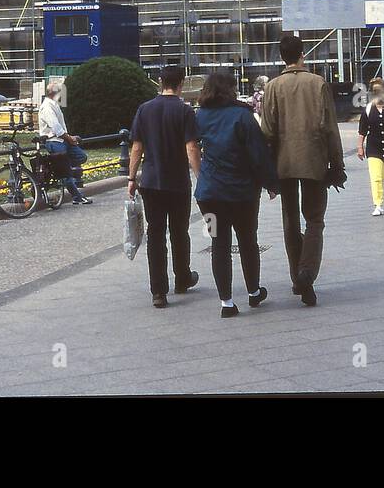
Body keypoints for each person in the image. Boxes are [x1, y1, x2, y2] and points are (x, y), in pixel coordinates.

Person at [259, 35, 344, 307]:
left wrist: (267, 170)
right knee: (315, 220)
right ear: (302, 54)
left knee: (290, 221)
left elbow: (267, 131)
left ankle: (297, 276)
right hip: (314, 162)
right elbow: (330, 127)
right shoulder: (318, 83)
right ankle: (307, 272)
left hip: (283, 164)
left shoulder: (272, 87)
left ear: (282, 57)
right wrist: (337, 164)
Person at [194, 71, 279, 317]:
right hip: (242, 192)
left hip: (208, 194)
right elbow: (258, 154)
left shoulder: (201, 116)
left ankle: (226, 303)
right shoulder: (242, 115)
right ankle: (253, 292)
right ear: (229, 90)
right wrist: (270, 182)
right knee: (247, 241)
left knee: (218, 243)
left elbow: (192, 145)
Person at [128, 66, 201, 308]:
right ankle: (182, 278)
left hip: (151, 181)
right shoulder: (185, 111)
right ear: (181, 84)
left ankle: (158, 291)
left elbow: (137, 147)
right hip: (178, 182)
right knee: (180, 231)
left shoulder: (144, 109)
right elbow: (191, 147)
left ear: (160, 82)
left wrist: (131, 178)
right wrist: (200, 176)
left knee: (155, 235)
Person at [39, 80, 92, 206]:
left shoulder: (54, 104)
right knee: (66, 171)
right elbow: (56, 128)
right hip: (54, 141)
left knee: (81, 157)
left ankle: (60, 171)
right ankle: (76, 196)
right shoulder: (47, 107)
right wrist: (70, 139)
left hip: (62, 139)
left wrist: (69, 138)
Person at [357, 78, 384, 216]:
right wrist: (360, 146)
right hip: (374, 147)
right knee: (376, 177)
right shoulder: (369, 109)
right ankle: (378, 204)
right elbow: (362, 130)